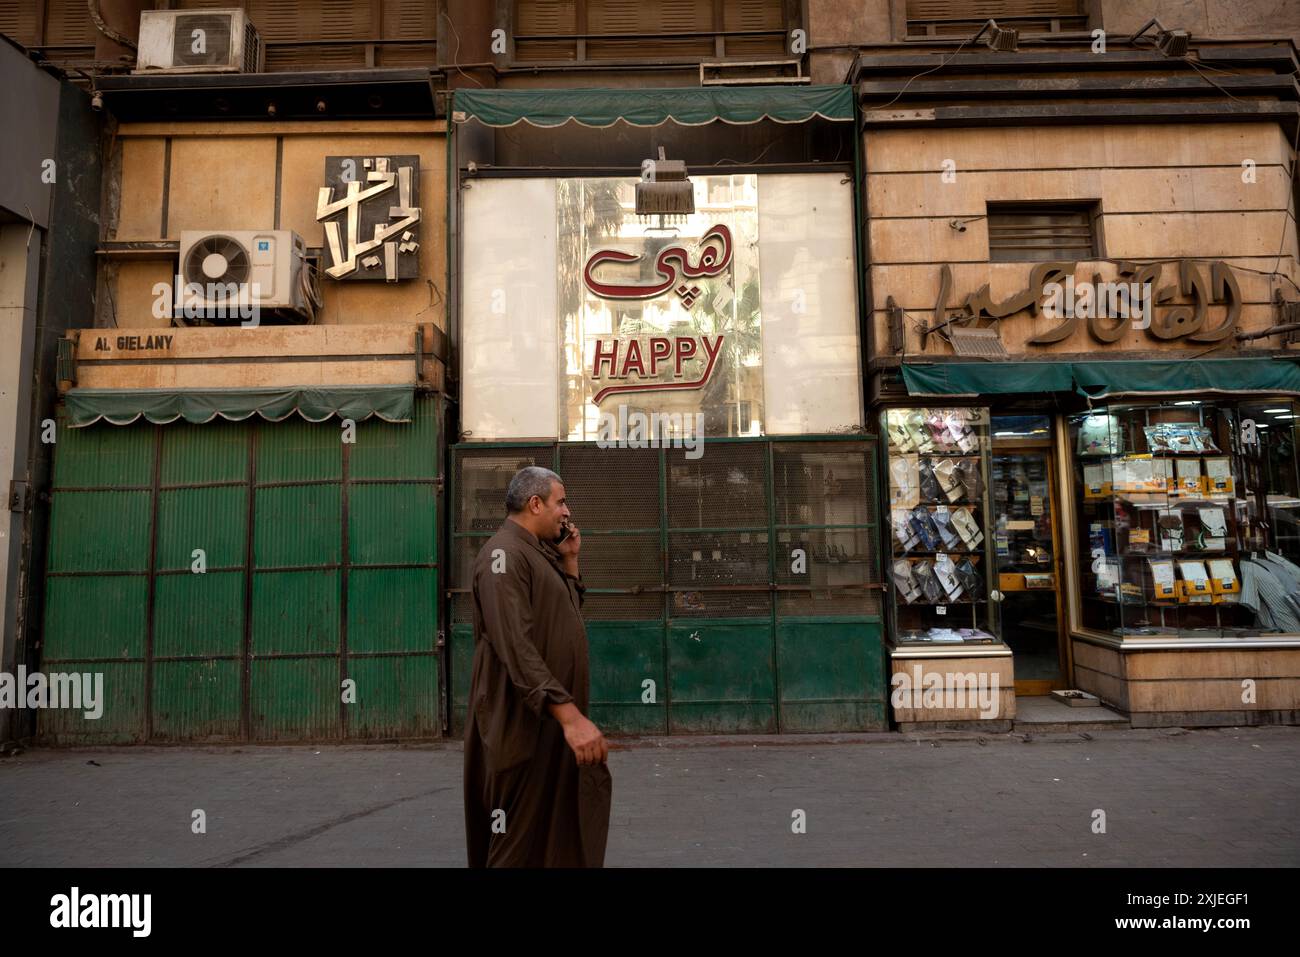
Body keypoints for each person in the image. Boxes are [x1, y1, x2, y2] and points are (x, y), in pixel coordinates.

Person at [463, 465, 613, 867]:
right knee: (518, 842)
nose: (567, 511)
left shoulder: (537, 554)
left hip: (548, 728)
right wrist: (570, 717)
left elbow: (561, 617)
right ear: (535, 503)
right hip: (521, 728)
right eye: (560, 502)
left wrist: (570, 562)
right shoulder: (503, 556)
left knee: (553, 834)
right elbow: (516, 646)